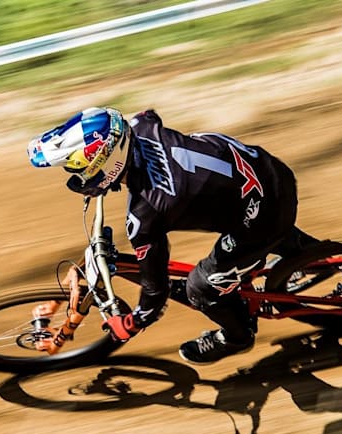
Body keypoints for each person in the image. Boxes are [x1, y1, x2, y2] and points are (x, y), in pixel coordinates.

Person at [28, 106, 318, 364]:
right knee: (241, 219)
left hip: (265, 211)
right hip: (271, 171)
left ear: (103, 164)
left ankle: (236, 337)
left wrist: (132, 323)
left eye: (75, 168)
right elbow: (146, 118)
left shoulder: (148, 211)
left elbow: (155, 293)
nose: (73, 175)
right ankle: (298, 252)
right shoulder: (142, 126)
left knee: (200, 287)